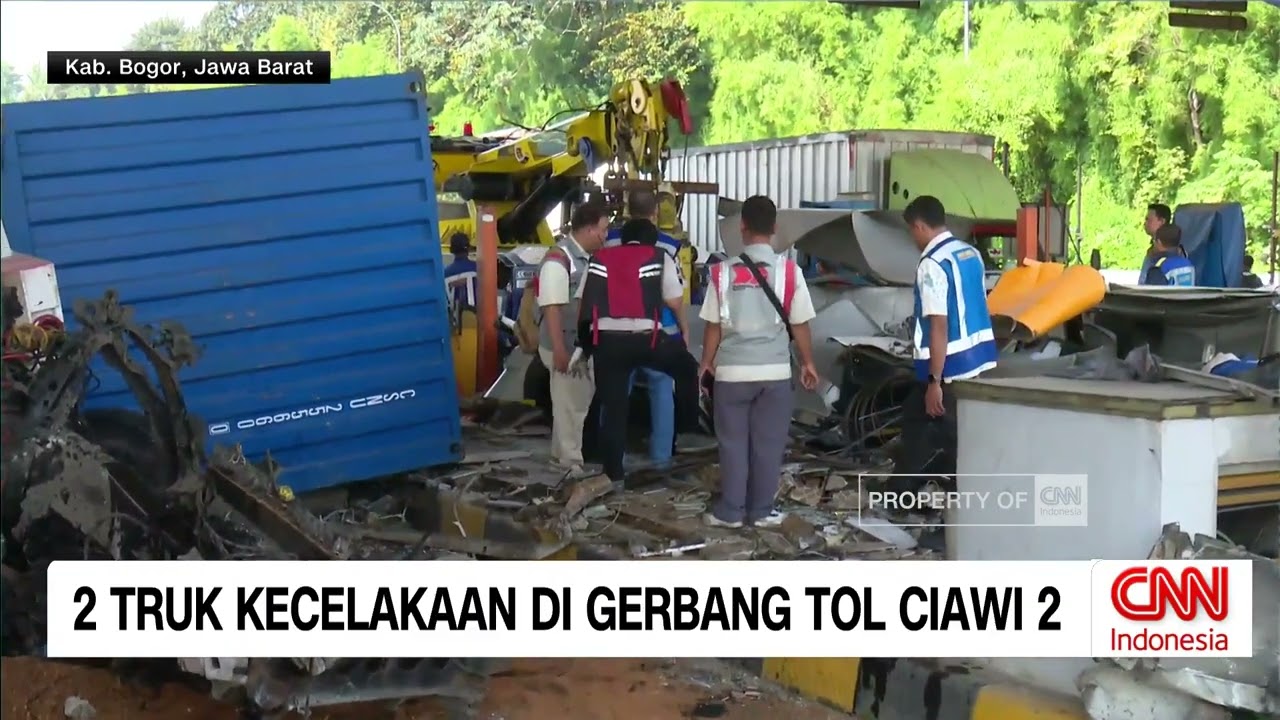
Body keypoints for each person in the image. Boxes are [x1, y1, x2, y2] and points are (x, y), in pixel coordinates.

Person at [697, 196, 819, 529]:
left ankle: (731, 512)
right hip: (774, 373)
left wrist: (705, 363)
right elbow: (800, 324)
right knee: (768, 444)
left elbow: (713, 327)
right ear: (775, 228)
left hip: (732, 373)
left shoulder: (721, 274)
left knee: (733, 444)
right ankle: (762, 510)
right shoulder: (790, 273)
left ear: (742, 228)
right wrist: (808, 363)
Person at [575, 218, 700, 485]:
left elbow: (584, 304)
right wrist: (684, 331)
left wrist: (585, 346)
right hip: (648, 339)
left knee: (614, 406)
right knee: (686, 370)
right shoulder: (659, 256)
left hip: (608, 342)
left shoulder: (599, 257)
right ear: (651, 240)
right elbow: (674, 300)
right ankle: (681, 439)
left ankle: (612, 472)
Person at [901, 195, 998, 481]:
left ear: (919, 226)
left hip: (949, 366)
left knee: (922, 425)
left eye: (911, 231)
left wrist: (935, 381)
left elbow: (939, 325)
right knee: (961, 434)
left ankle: (901, 497)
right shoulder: (970, 253)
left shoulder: (932, 264)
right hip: (978, 359)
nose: (912, 238)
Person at [598, 189, 694, 469]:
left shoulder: (609, 241)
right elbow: (675, 297)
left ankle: (612, 457)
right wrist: (684, 329)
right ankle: (661, 458)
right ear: (655, 213)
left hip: (614, 327)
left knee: (614, 392)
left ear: (626, 209)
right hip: (658, 327)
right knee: (662, 387)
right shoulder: (668, 246)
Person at [534, 202, 610, 470]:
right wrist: (559, 349)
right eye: (603, 229)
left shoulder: (583, 259)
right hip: (562, 344)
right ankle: (569, 463)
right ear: (589, 229)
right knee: (571, 405)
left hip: (574, 344)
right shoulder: (559, 259)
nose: (605, 235)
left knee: (573, 402)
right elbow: (552, 306)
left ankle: (561, 457)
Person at [443, 232, 478, 312]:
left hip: (456, 317)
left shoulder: (446, 273)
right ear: (468, 249)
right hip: (478, 315)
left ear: (451, 250)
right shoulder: (477, 268)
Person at [1138, 203, 1173, 279]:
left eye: (1148, 220)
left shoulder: (1167, 252)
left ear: (1162, 221)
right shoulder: (1153, 250)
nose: (1145, 223)